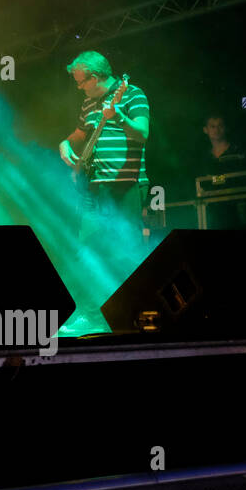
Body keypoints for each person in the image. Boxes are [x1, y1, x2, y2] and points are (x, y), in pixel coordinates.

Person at [58, 52, 150, 330]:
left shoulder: (132, 94)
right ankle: (90, 315)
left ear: (95, 77)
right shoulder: (88, 102)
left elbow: (143, 133)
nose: (79, 87)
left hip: (126, 185)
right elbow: (80, 134)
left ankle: (129, 315)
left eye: (81, 82)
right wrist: (64, 143)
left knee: (123, 250)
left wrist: (119, 116)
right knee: (85, 250)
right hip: (95, 186)